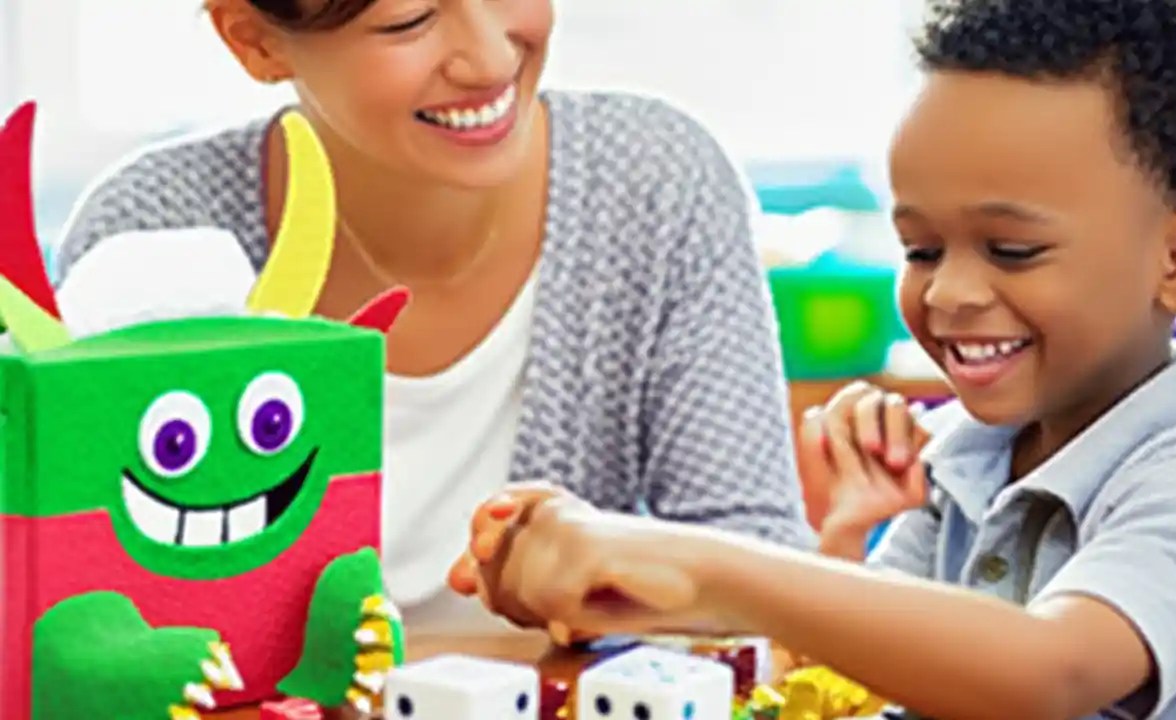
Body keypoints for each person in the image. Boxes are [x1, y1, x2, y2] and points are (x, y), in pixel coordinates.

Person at [448, 0, 1176, 717]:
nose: (949, 293)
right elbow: (845, 674)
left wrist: (686, 559)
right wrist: (622, 587)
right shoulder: (963, 457)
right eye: (920, 249)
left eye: (1013, 250)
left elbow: (1044, 676)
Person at [50, 0, 813, 629]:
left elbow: (756, 567)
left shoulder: (655, 183)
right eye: (408, 20)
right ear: (253, 41)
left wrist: (613, 580)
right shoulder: (149, 236)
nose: (487, 59)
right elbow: (85, 612)